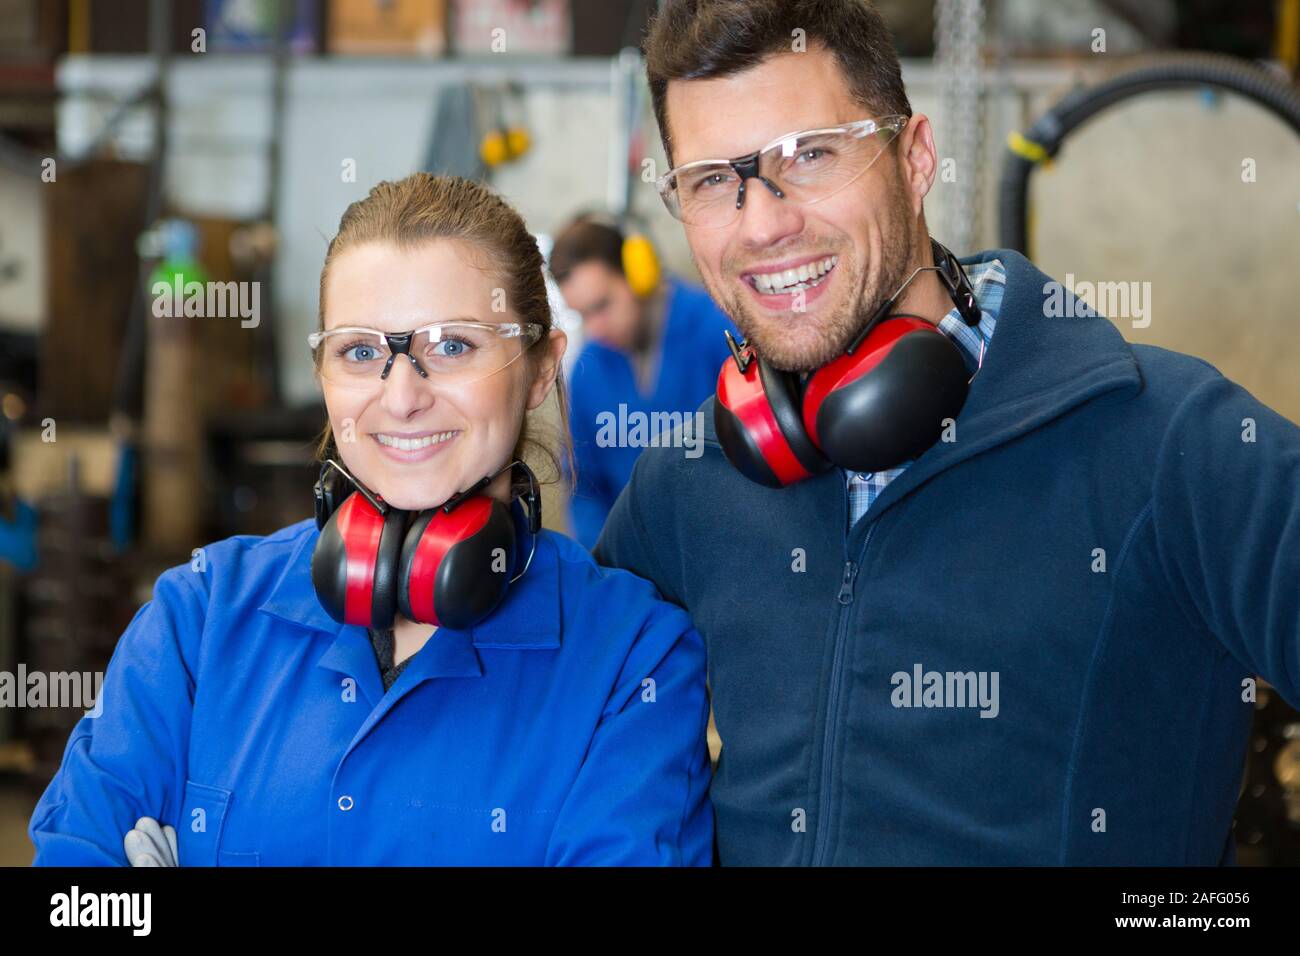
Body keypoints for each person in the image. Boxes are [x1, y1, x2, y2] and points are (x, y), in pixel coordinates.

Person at [594, 0, 1300, 865]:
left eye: (809, 155)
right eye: (711, 180)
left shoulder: (1171, 445)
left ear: (917, 157)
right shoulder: (689, 482)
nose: (762, 223)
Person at [29, 173, 713, 866]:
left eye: (452, 346)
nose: (402, 395)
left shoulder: (633, 661)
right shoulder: (201, 617)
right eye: (360, 352)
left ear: (540, 369)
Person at [550, 215, 736, 547]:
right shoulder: (588, 371)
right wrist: (606, 563)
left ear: (638, 274)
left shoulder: (717, 330)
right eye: (583, 315)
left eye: (602, 305)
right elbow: (585, 488)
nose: (595, 329)